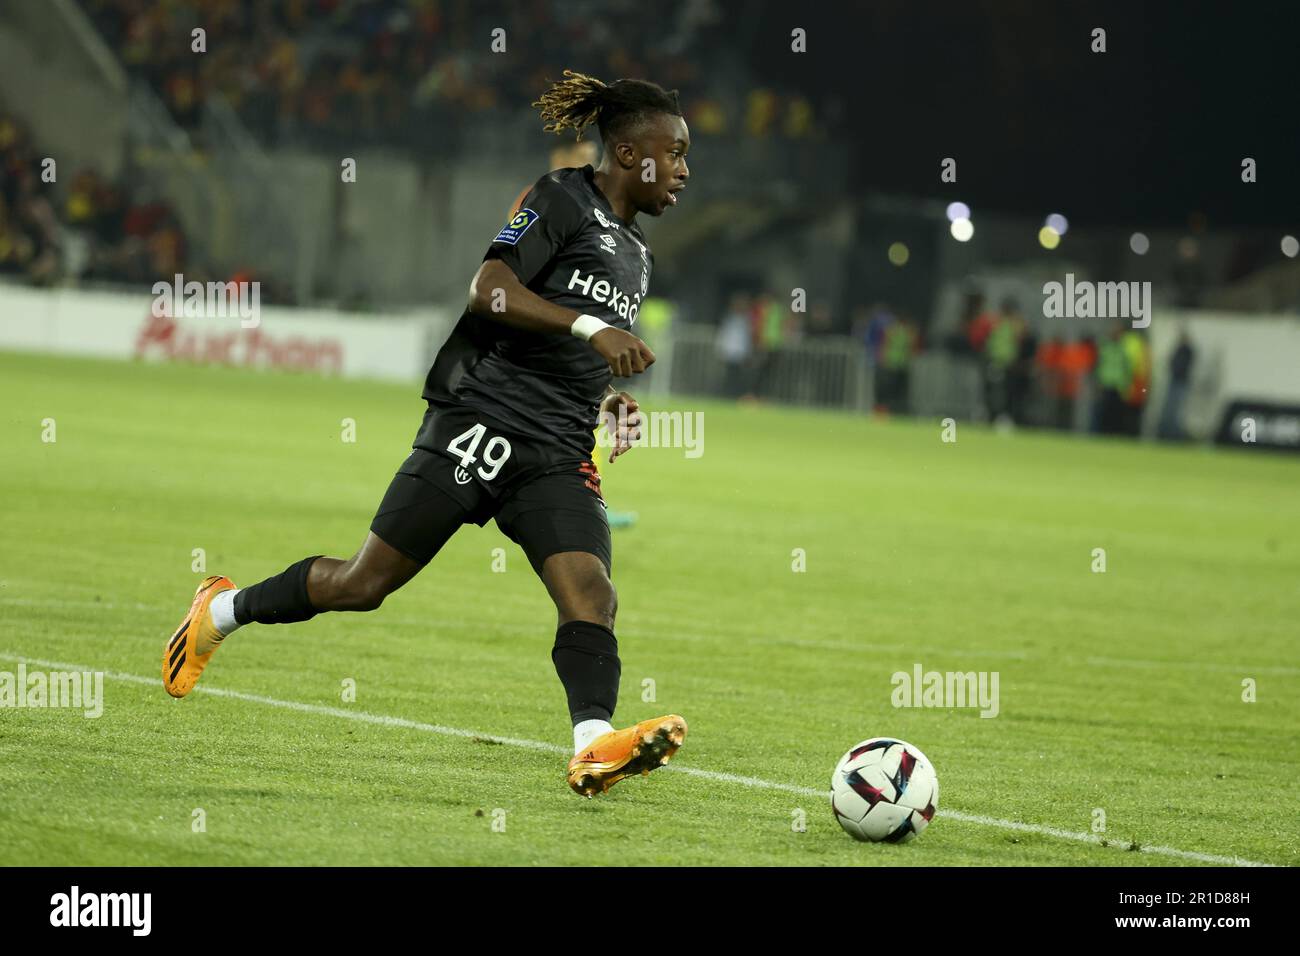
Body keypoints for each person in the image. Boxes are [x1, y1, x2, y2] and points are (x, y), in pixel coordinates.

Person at [161, 70, 692, 798]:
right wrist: (593, 327)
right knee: (364, 583)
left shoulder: (637, 254)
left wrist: (609, 399)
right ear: (632, 154)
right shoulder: (562, 197)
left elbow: (576, 345)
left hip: (557, 454)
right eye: (678, 153)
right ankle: (218, 610)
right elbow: (492, 289)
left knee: (592, 593)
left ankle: (593, 743)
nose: (686, 172)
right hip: (481, 422)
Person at [1157, 330, 1196, 440]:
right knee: (1169, 407)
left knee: (1175, 408)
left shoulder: (1187, 351)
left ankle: (1172, 432)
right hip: (1175, 380)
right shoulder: (1180, 350)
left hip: (1181, 381)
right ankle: (1165, 430)